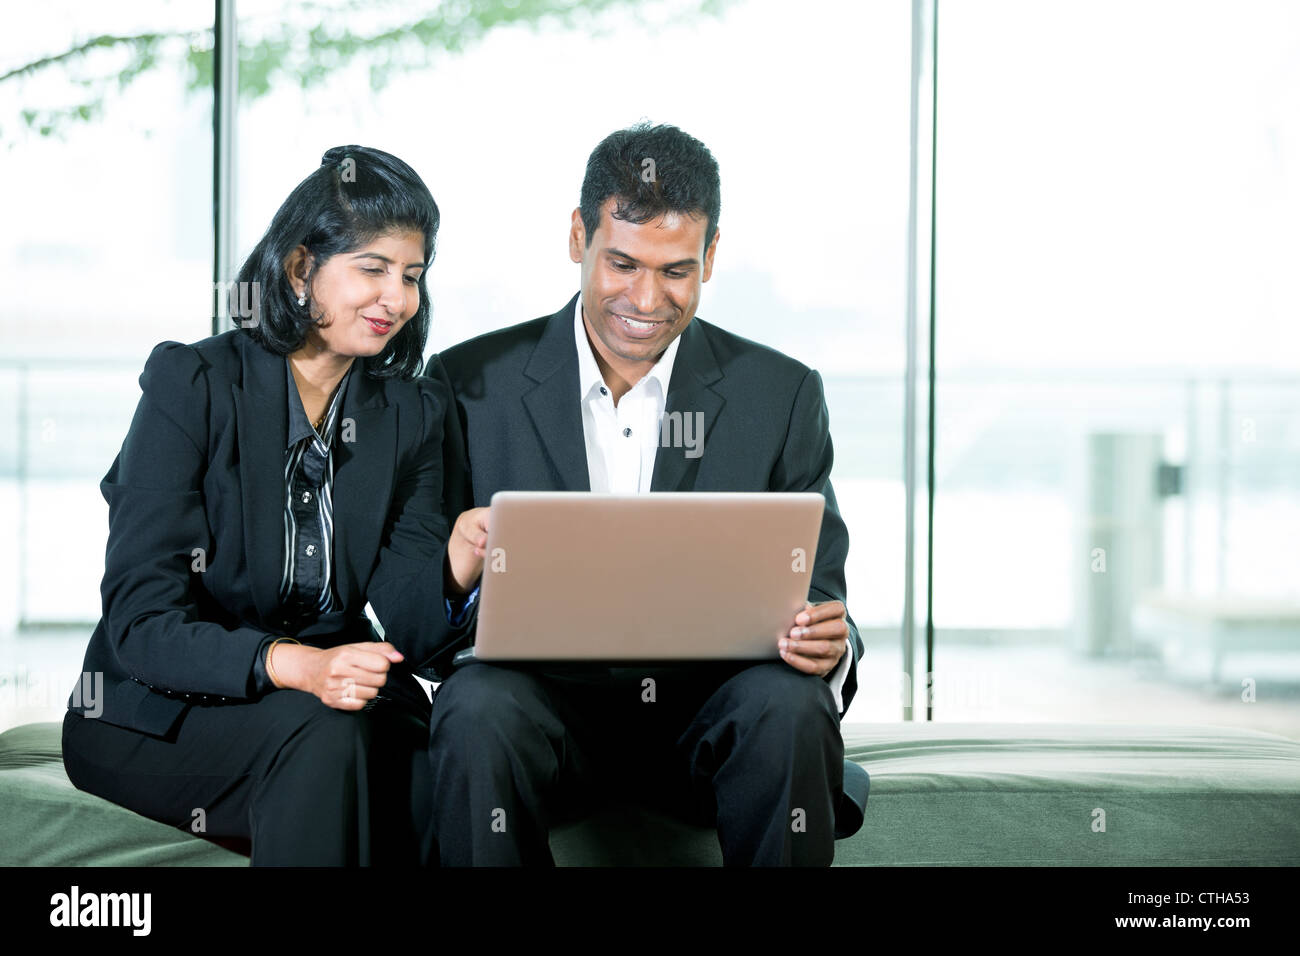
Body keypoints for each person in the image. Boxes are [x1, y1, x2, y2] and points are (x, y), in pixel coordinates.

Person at [426, 122, 868, 866]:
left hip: (710, 725)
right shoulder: (468, 383)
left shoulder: (781, 394)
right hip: (541, 724)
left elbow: (820, 592)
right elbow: (426, 618)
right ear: (578, 237)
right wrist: (456, 571)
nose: (645, 298)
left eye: (676, 271)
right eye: (623, 263)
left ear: (712, 257)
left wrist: (831, 644)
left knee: (789, 704)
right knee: (474, 705)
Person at [61, 145, 474, 866]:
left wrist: (457, 566)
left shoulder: (410, 413)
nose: (397, 300)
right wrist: (294, 665)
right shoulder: (192, 384)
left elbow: (412, 626)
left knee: (426, 757)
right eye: (372, 269)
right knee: (322, 738)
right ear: (299, 269)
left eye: (412, 276)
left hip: (329, 705)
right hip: (163, 711)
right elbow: (142, 623)